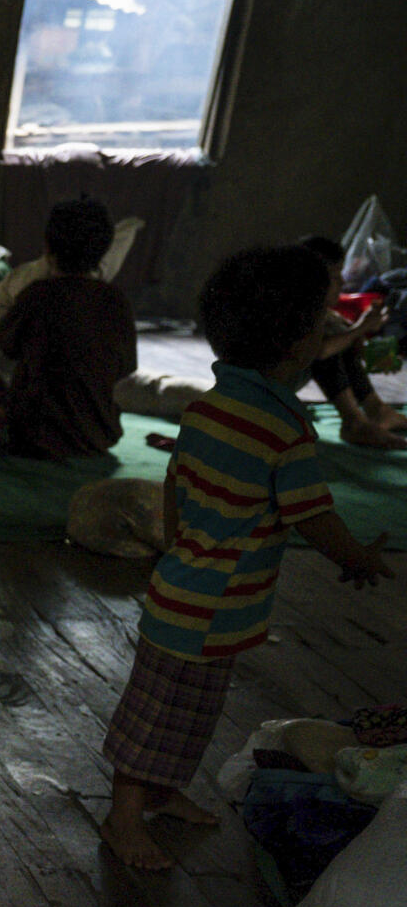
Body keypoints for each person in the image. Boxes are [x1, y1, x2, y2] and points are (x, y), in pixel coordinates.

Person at [99, 244, 394, 872]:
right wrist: (360, 558)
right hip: (206, 609)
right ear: (297, 346)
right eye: (320, 322)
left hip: (190, 595)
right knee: (157, 718)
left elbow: (177, 484)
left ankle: (159, 791)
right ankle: (123, 818)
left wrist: (178, 549)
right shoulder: (285, 432)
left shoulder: (207, 407)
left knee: (184, 712)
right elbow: (314, 518)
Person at [0, 198, 137, 458]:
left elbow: (4, 346)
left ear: (47, 245)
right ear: (105, 249)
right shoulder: (116, 302)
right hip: (96, 437)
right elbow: (127, 367)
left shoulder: (37, 295)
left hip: (30, 438)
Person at [301, 234, 405, 450]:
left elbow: (352, 348)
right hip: (260, 388)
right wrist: (360, 328)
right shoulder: (291, 307)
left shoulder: (323, 312)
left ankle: (377, 411)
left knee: (339, 338)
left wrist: (365, 337)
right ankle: (354, 422)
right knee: (326, 344)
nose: (343, 282)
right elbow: (318, 351)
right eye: (336, 275)